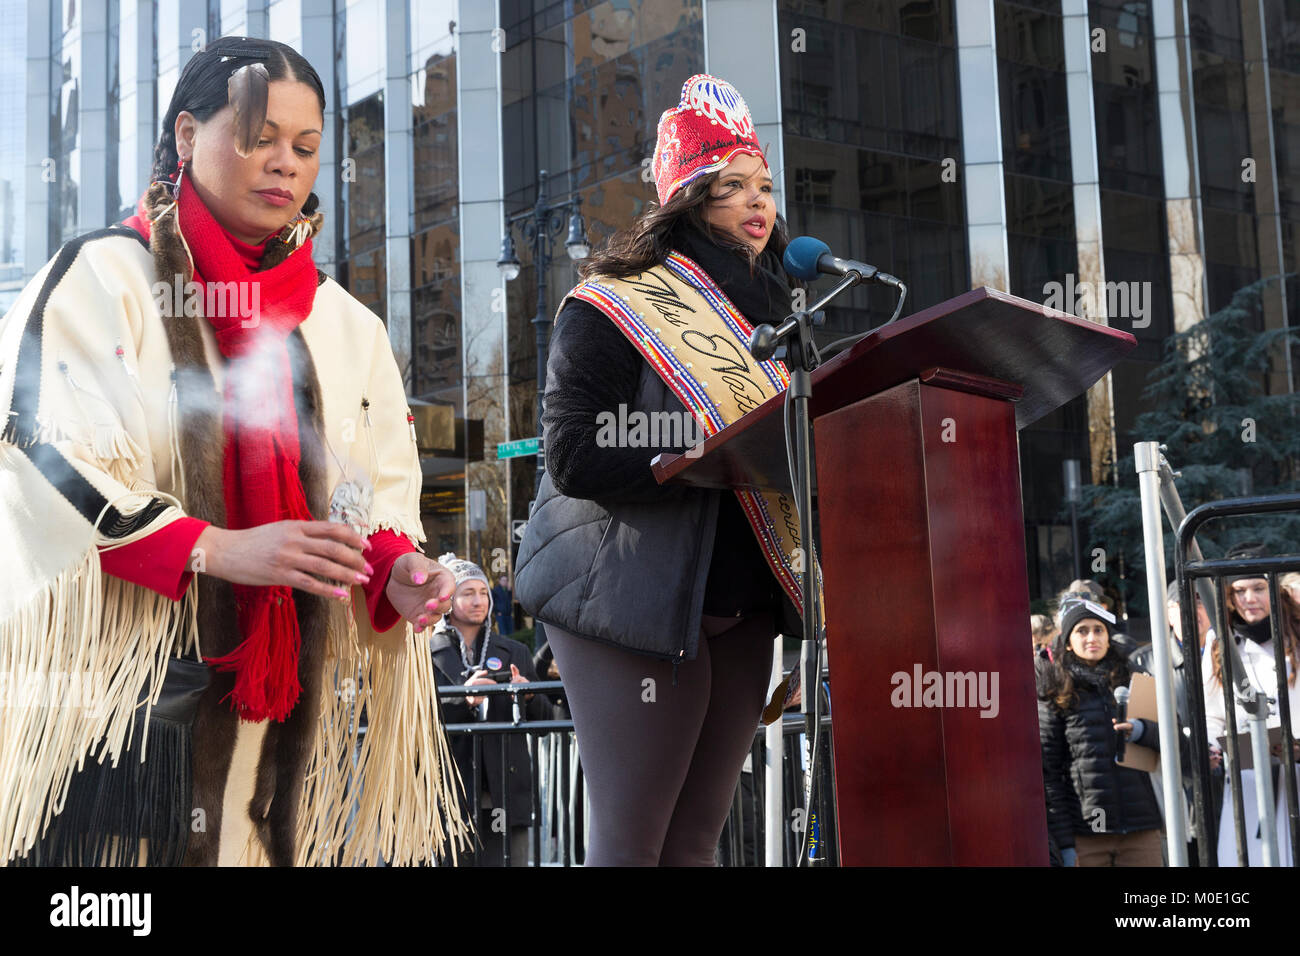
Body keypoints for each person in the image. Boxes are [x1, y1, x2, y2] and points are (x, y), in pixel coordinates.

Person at [0, 37, 469, 866]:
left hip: (280, 728)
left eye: (305, 146)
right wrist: (215, 547)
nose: (283, 165)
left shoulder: (344, 324)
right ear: (186, 136)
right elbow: (39, 451)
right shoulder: (104, 277)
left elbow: (379, 499)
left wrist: (397, 570)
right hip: (117, 713)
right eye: (258, 137)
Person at [515, 73, 810, 866]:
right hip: (627, 593)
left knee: (695, 839)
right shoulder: (612, 303)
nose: (758, 203)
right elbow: (572, 454)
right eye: (731, 187)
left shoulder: (784, 314)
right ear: (688, 200)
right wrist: (686, 456)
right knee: (632, 840)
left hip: (743, 598)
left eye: (765, 186)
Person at [431, 554, 550, 866]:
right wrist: (462, 700)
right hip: (447, 799)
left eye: (483, 592)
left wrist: (527, 696)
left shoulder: (515, 651)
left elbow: (547, 721)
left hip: (505, 794)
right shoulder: (424, 654)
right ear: (448, 601)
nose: (478, 600)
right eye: (467, 593)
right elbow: (418, 722)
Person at [1038, 597, 1164, 866]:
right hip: (1086, 833)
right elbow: (1048, 774)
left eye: (1099, 630)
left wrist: (1142, 731)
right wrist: (1066, 844)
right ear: (1068, 641)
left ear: (1109, 637)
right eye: (1082, 631)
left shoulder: (1134, 679)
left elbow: (1173, 740)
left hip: (1141, 829)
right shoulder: (1055, 691)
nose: (1091, 637)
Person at [1203, 543, 1300, 866]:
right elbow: (1212, 712)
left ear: (1273, 588)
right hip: (1247, 779)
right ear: (1229, 597)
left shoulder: (1297, 634)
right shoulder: (1220, 643)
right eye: (1239, 590)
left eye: (1258, 588)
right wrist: (1212, 747)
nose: (1249, 599)